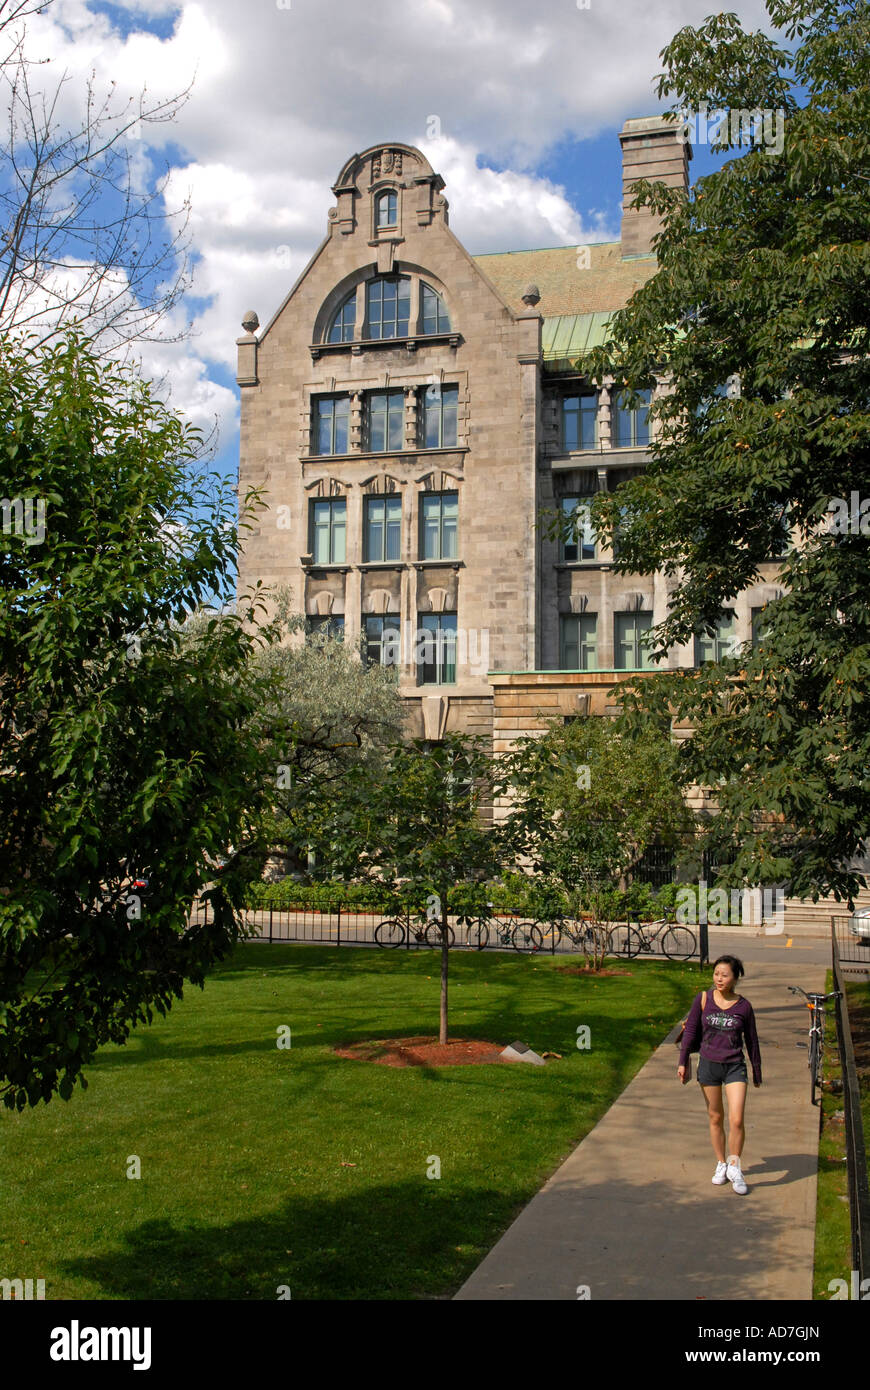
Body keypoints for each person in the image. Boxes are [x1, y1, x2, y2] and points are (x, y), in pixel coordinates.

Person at [677, 955, 762, 1195]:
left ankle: (735, 1165)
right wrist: (683, 1062)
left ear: (735, 978)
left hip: (735, 1065)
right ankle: (721, 1163)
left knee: (736, 1119)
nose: (719, 979)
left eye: (724, 975)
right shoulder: (703, 999)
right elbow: (691, 1030)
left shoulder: (744, 1007)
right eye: (716, 974)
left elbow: (752, 1041)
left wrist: (757, 1070)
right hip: (709, 1066)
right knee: (716, 1117)